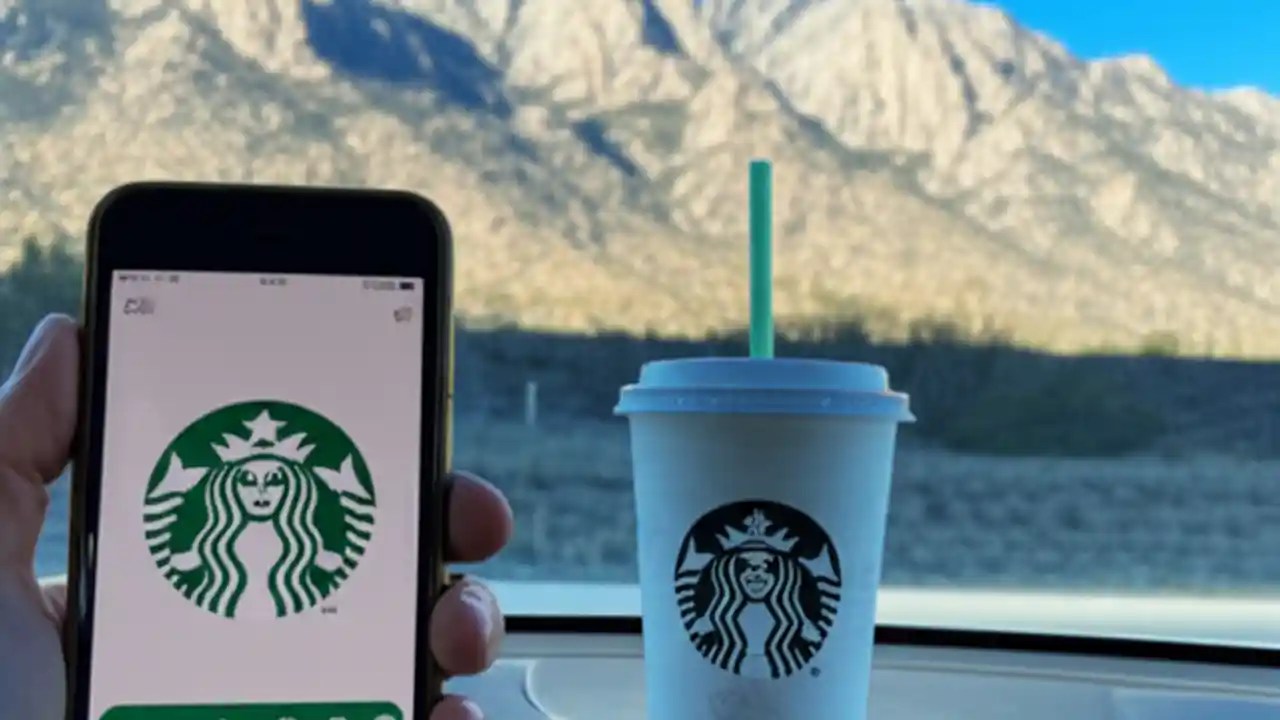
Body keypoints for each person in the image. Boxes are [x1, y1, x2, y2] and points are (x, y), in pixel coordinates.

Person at [0, 315, 512, 720]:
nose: (262, 491)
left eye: (275, 481)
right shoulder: (193, 563)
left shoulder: (318, 561)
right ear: (225, 487)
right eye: (248, 480)